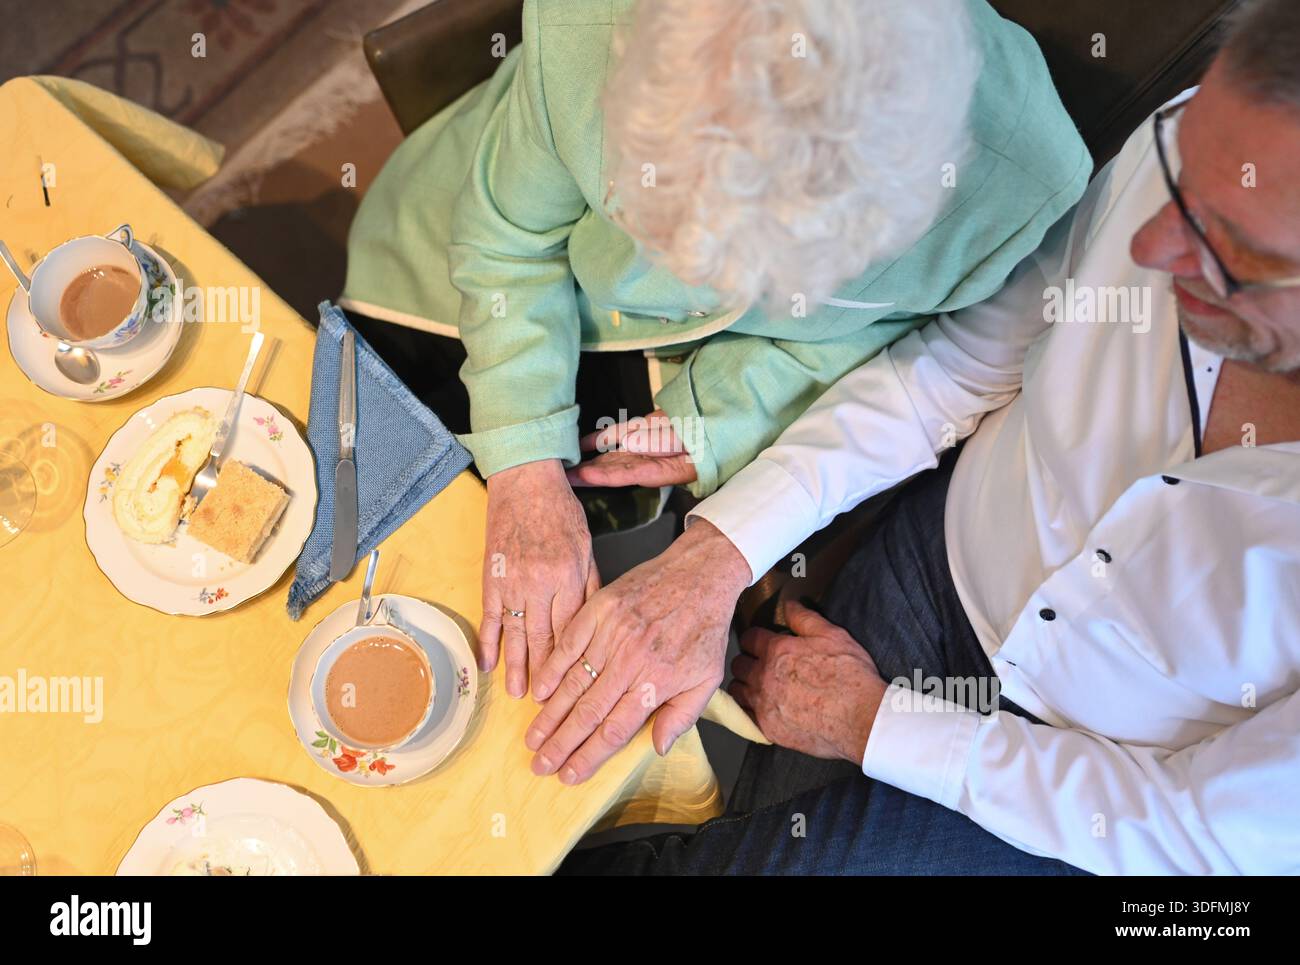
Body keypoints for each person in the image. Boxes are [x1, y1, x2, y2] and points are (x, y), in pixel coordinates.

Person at [539, 0, 1300, 874]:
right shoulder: (1201, 160)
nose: (1150, 243)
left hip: (1095, 787)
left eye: (1223, 243)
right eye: (1177, 176)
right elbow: (951, 370)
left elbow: (1199, 831)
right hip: (938, 563)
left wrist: (875, 724)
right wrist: (720, 554)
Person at [341, 0, 1091, 700]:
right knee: (352, 521)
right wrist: (523, 466)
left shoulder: (1025, 194)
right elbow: (509, 239)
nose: (682, 276)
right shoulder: (588, 25)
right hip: (455, 283)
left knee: (524, 658)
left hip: (694, 371)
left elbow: (904, 339)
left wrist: (732, 409)